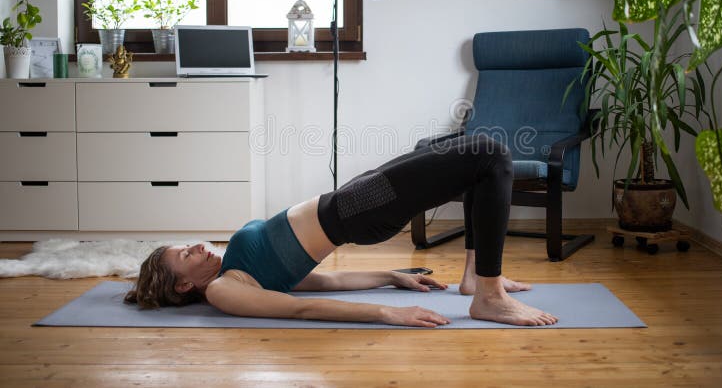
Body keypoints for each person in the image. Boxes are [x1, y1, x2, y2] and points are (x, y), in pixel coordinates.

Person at [125, 134, 558, 327]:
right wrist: (386, 313)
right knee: (491, 154)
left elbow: (324, 282)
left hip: (351, 198)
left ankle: (475, 279)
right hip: (357, 209)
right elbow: (299, 310)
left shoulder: (241, 270)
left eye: (187, 246)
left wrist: (393, 278)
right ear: (183, 287)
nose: (198, 246)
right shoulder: (224, 289)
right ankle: (489, 294)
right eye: (187, 255)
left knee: (462, 155)